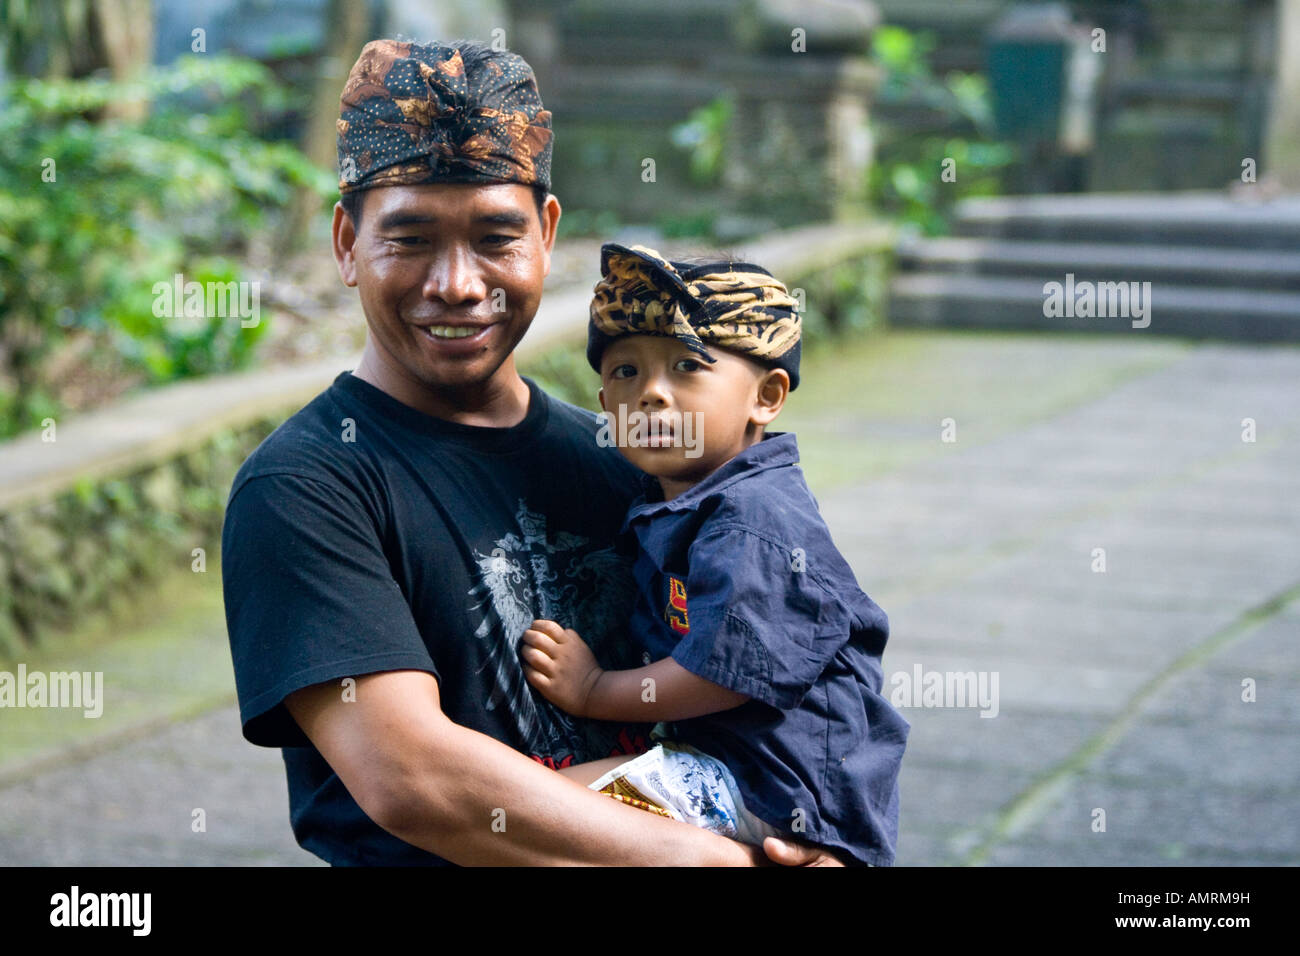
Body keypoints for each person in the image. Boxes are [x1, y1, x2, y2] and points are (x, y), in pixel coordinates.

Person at [220, 37, 842, 865]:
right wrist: (711, 860)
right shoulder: (307, 488)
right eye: (408, 239)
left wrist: (816, 838)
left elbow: (787, 669)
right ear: (345, 244)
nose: (458, 284)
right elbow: (415, 779)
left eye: (494, 237)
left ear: (547, 236)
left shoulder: (634, 464)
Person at [521, 243, 910, 866]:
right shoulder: (675, 496)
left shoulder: (753, 519)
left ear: (767, 396)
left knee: (527, 818)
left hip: (780, 791)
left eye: (686, 366)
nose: (651, 394)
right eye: (626, 372)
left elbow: (722, 673)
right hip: (731, 767)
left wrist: (594, 689)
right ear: (602, 406)